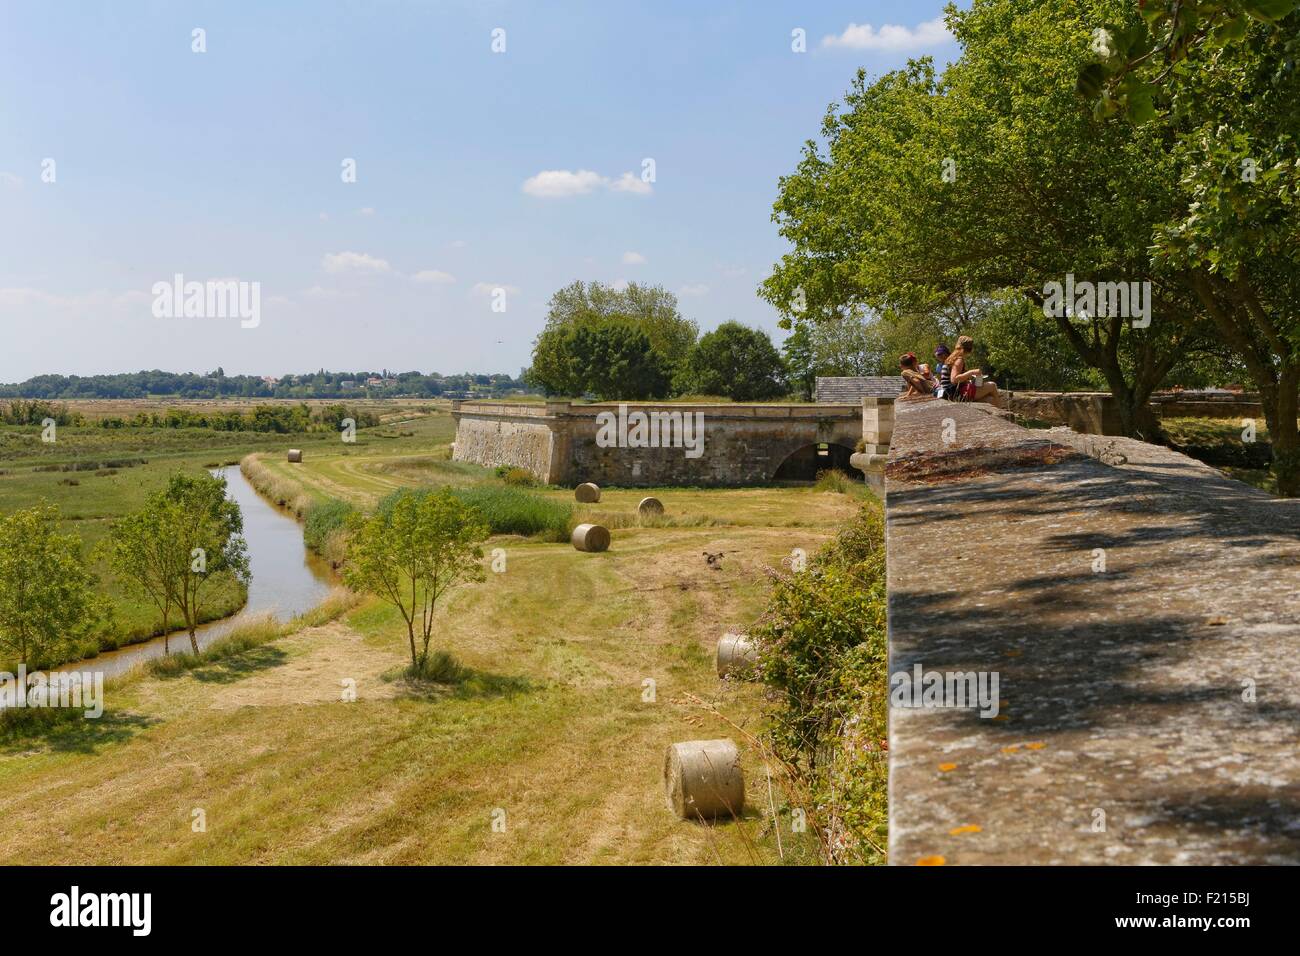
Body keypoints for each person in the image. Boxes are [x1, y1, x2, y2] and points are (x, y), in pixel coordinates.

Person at [947, 335, 1000, 404]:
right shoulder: (959, 360)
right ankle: (1002, 409)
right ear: (969, 349)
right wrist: (971, 372)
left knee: (990, 400)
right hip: (959, 393)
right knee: (992, 385)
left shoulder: (953, 357)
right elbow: (954, 379)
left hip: (953, 392)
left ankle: (997, 411)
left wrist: (967, 379)